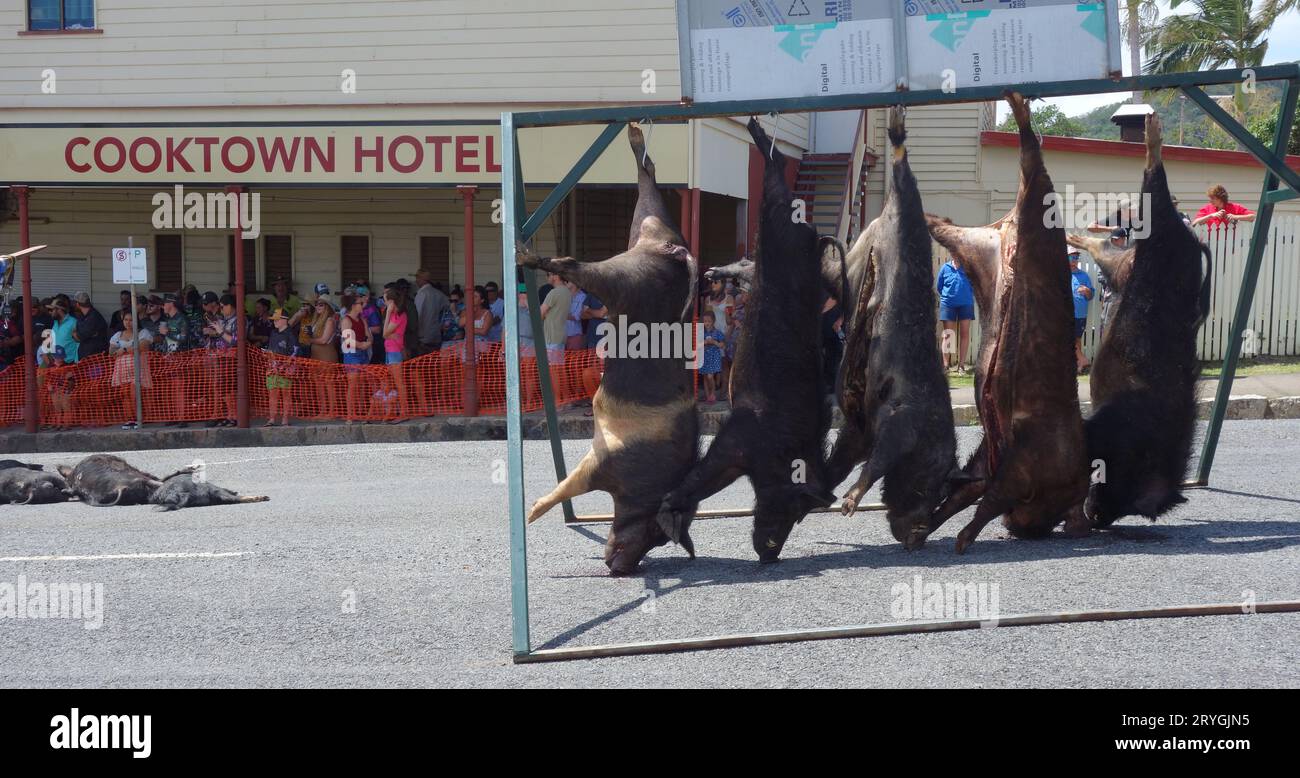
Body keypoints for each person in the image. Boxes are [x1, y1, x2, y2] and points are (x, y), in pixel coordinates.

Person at [109, 311, 153, 429]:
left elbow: (143, 346)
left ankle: (139, 418)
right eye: (126, 320)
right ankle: (130, 419)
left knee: (135, 393)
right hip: (122, 369)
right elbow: (111, 352)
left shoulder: (143, 333)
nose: (128, 322)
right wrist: (129, 349)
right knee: (125, 394)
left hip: (138, 369)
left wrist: (123, 350)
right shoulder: (118, 335)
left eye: (131, 320)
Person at [338, 293, 373, 424]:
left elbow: (369, 336)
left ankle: (361, 412)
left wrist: (367, 343)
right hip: (352, 355)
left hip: (362, 354)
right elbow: (347, 341)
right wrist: (362, 344)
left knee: (362, 385)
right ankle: (350, 415)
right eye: (360, 303)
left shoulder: (362, 319)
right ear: (353, 306)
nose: (363, 305)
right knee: (352, 386)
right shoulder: (346, 320)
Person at [936, 258, 974, 372]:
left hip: (966, 304)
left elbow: (975, 285)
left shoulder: (968, 268)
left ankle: (961, 366)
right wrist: (948, 296)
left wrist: (966, 294)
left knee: (964, 333)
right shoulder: (945, 268)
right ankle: (946, 366)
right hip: (948, 304)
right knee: (948, 334)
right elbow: (939, 286)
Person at [263, 308, 296, 427]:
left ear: (284, 320)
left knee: (286, 394)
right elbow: (271, 349)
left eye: (277, 319)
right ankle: (272, 419)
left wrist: (284, 365)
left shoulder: (290, 334)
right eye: (273, 320)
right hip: (272, 368)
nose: (274, 322)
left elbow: (294, 352)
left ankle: (285, 419)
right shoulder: (273, 333)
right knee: (272, 394)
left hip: (285, 370)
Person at [382, 287, 410, 420]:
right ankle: (393, 410)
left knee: (399, 382)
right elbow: (387, 334)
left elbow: (385, 333)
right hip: (390, 350)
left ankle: (404, 412)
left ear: (392, 302)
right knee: (391, 382)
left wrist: (387, 313)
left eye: (386, 301)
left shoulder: (398, 315)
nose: (384, 303)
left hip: (394, 351)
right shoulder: (396, 315)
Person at [413, 268, 450, 356]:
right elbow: (449, 306)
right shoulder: (438, 294)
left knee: (422, 364)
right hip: (436, 334)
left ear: (422, 280)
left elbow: (417, 314)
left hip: (422, 336)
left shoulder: (421, 294)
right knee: (434, 363)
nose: (416, 280)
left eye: (417, 278)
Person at [1069, 250, 1094, 374]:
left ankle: (1078, 364)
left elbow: (1091, 296)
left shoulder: (1084, 276)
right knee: (1069, 338)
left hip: (1080, 315)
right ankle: (1083, 360)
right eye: (1071, 258)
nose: (1073, 260)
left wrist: (1087, 291)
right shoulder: (1062, 274)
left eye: (1076, 257)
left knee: (1077, 339)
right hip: (1066, 314)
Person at [540, 272, 571, 368]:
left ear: (556, 276)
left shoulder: (554, 292)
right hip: (560, 335)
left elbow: (539, 314)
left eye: (549, 274)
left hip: (551, 338)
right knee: (558, 370)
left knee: (552, 371)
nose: (547, 277)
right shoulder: (567, 291)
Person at [40, 346, 75, 431]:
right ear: (53, 357)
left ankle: (67, 424)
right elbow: (47, 379)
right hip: (54, 391)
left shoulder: (67, 367)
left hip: (64, 391)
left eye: (62, 357)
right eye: (58, 357)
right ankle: (57, 424)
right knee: (56, 408)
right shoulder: (49, 367)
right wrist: (49, 387)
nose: (60, 359)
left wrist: (68, 389)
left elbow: (72, 381)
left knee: (66, 407)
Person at [699, 311, 724, 403]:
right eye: (705, 321)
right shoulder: (701, 333)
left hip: (713, 357)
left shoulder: (717, 333)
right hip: (704, 357)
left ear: (713, 321)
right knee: (705, 377)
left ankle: (713, 394)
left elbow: (722, 345)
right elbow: (696, 345)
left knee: (710, 376)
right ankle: (707, 396)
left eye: (709, 321)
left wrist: (714, 342)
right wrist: (704, 343)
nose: (707, 323)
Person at [48, 298, 79, 364]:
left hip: (69, 363)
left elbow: (78, 343)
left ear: (59, 310)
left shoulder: (73, 322)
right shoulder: (55, 323)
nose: (50, 312)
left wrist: (76, 363)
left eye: (52, 309)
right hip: (56, 363)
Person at [564, 280, 587, 351]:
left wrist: (559, 315)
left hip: (574, 334)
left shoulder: (582, 296)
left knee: (574, 360)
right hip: (562, 334)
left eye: (567, 281)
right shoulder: (564, 294)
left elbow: (577, 316)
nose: (565, 282)